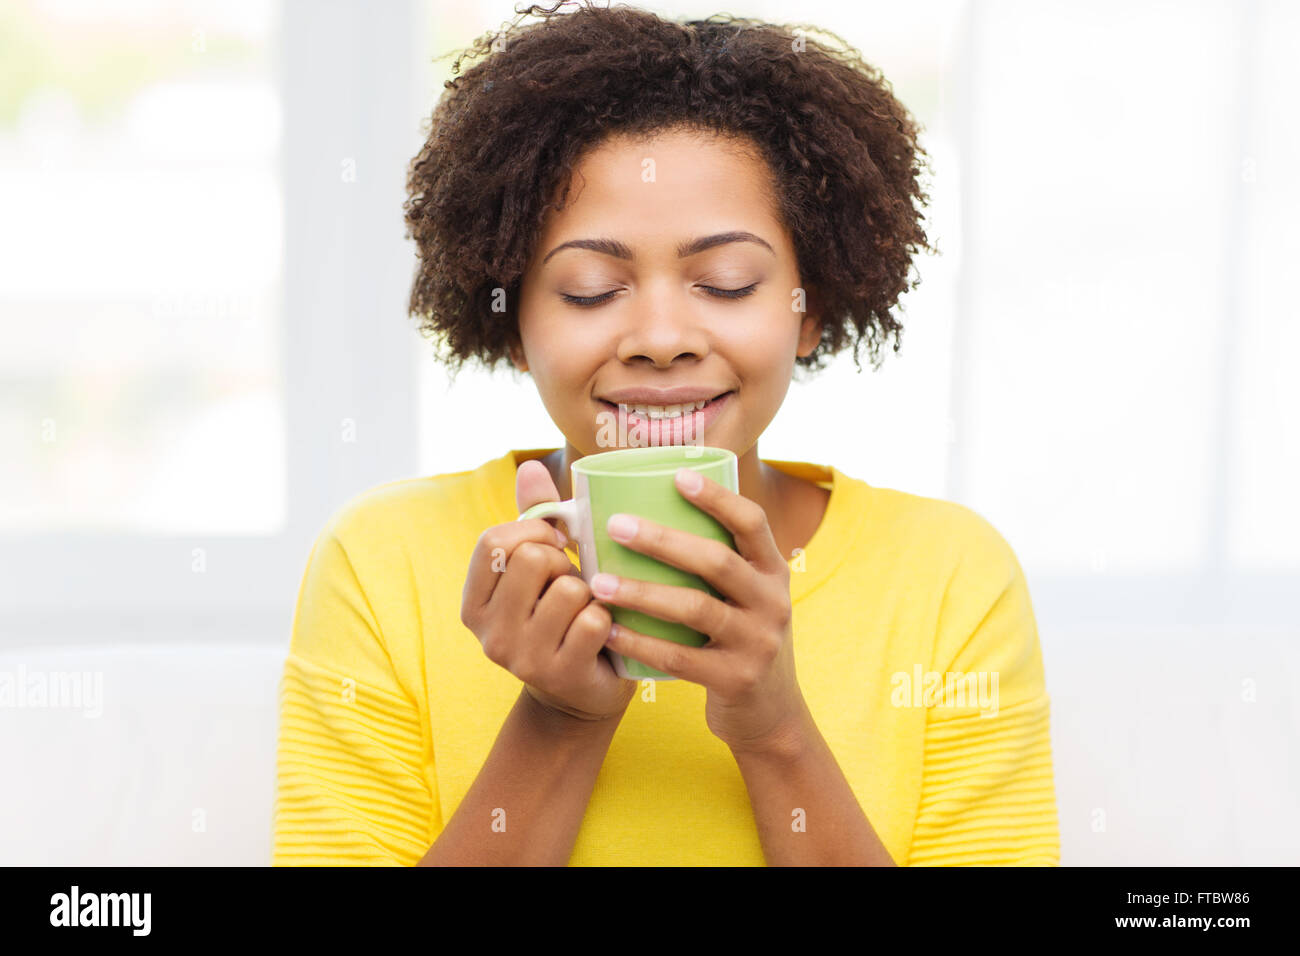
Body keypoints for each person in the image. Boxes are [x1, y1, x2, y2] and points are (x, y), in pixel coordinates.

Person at [273, 1, 1059, 866]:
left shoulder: (949, 578)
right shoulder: (383, 561)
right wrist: (560, 719)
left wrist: (776, 729)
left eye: (724, 283)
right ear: (508, 318)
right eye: (587, 289)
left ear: (813, 307)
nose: (660, 335)